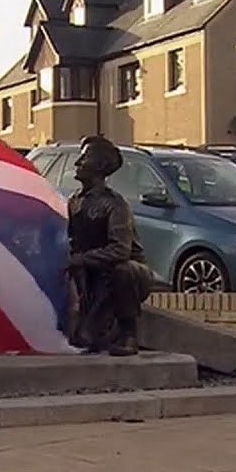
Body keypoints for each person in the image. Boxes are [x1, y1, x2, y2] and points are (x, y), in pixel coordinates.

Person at [66, 135, 154, 356]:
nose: (77, 163)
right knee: (83, 339)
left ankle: (129, 335)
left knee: (123, 270)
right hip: (95, 278)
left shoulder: (115, 204)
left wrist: (79, 260)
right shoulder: (74, 201)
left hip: (127, 277)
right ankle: (93, 323)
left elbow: (121, 251)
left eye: (84, 158)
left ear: (100, 166)